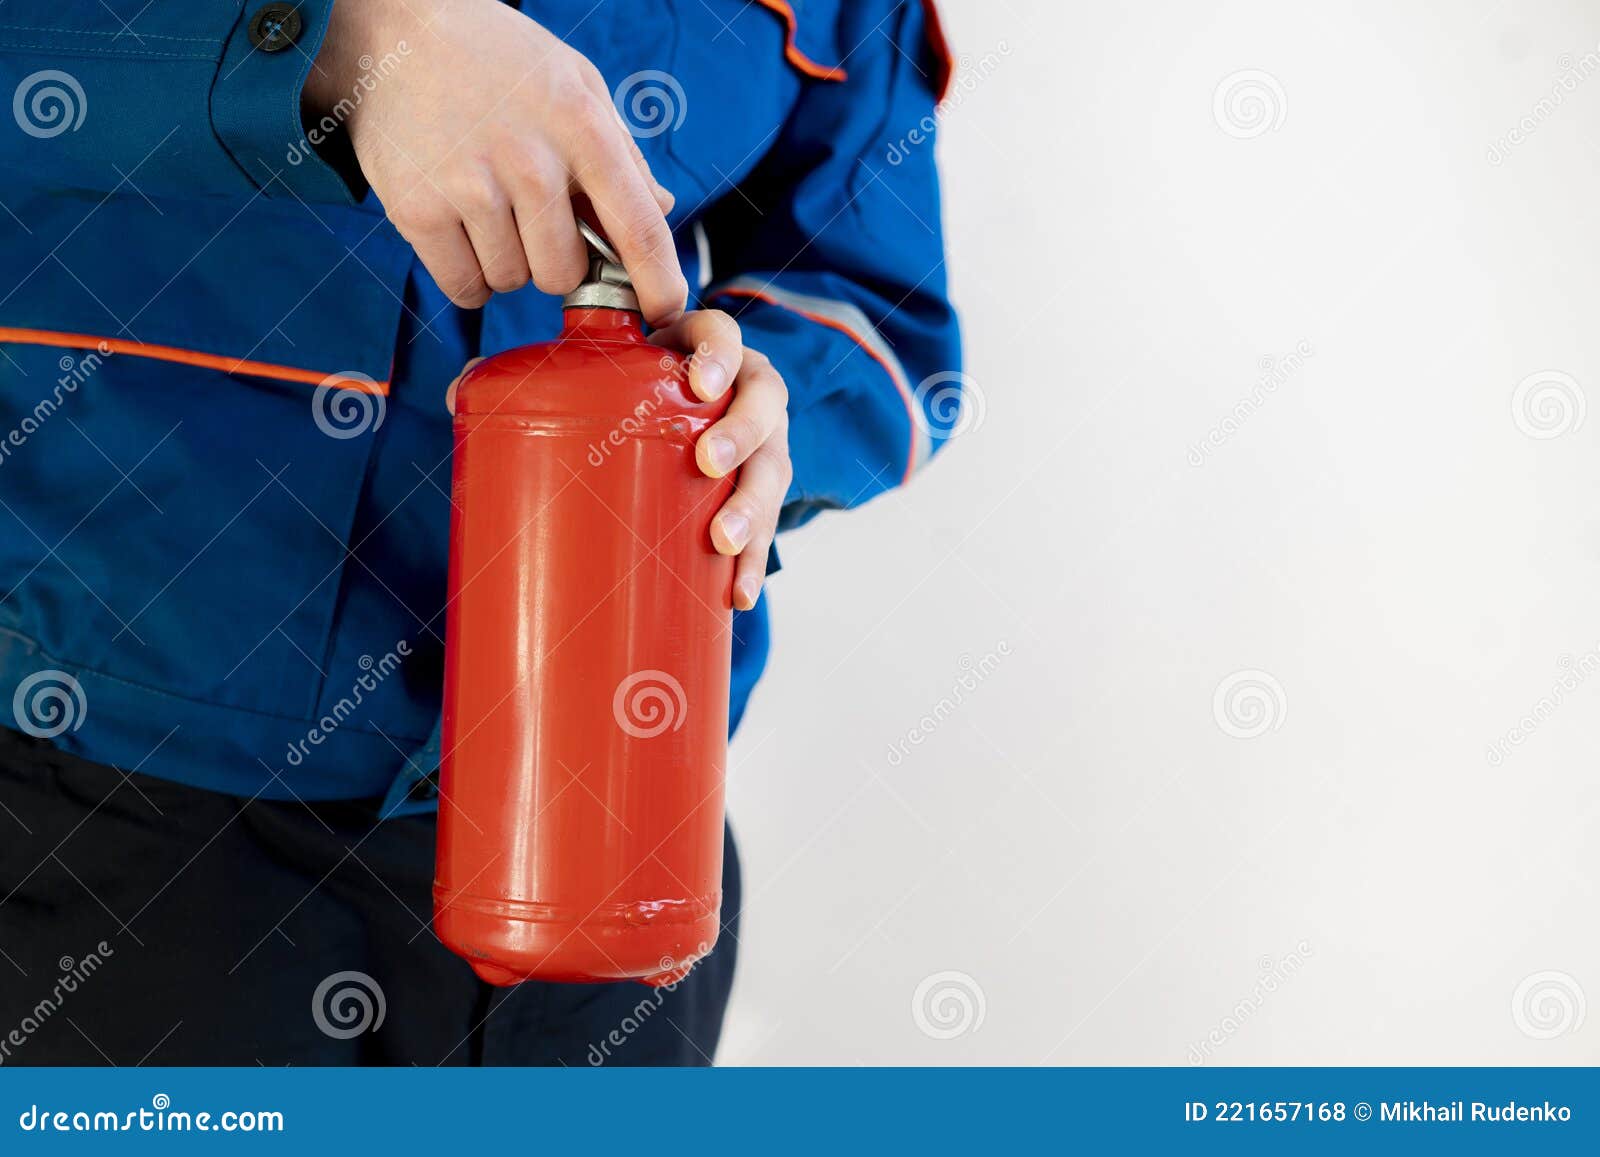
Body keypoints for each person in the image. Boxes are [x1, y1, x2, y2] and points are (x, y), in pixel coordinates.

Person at [0, 0, 960, 1065]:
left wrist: (761, 399)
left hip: (618, 841)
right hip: (132, 814)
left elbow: (877, 293)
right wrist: (335, 41)